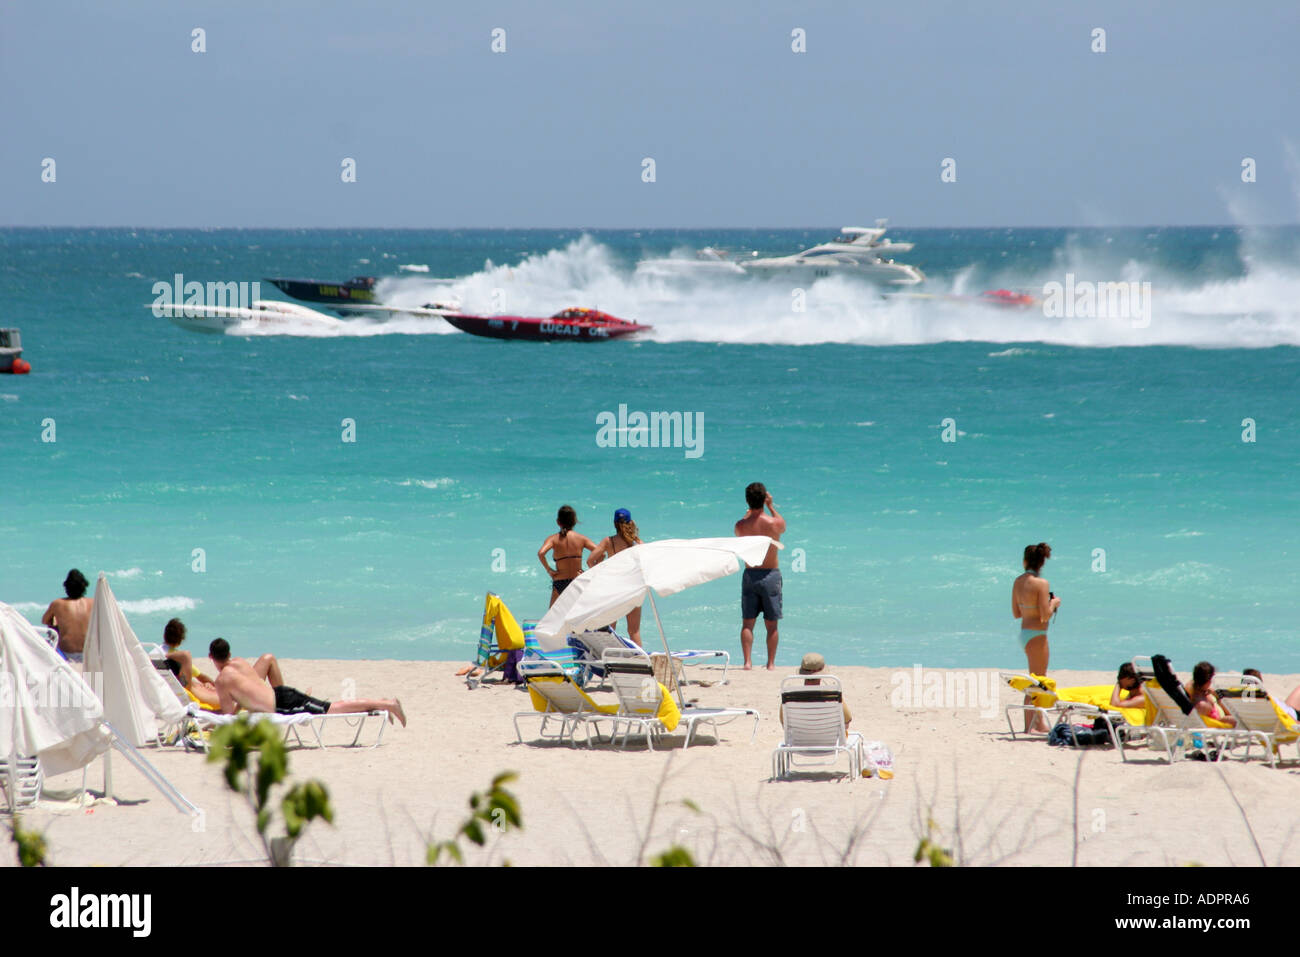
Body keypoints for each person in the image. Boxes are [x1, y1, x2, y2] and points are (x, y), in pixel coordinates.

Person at [207, 638, 406, 726]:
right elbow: (246, 695)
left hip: (284, 705)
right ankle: (381, 702)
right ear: (230, 653)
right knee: (331, 707)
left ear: (210, 656)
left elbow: (227, 717)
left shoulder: (222, 680)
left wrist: (208, 716)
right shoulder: (240, 663)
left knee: (333, 708)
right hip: (281, 694)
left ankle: (387, 704)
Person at [734, 482, 786, 671]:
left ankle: (747, 662)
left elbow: (740, 531)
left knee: (748, 623)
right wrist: (771, 506)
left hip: (750, 574)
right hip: (770, 575)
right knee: (772, 625)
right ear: (764, 499)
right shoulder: (774, 523)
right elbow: (783, 526)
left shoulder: (741, 525)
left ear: (748, 501)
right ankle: (771, 664)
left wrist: (748, 514)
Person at [1011, 543, 1061, 733]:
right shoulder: (1042, 583)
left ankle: (1037, 723)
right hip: (1038, 635)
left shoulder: (1017, 581)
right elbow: (1045, 615)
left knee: (1036, 680)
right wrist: (1054, 602)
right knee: (1038, 681)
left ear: (1025, 561)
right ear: (1042, 563)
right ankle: (1030, 726)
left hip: (1025, 634)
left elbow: (1016, 613)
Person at [588, 508, 643, 644]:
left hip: (615, 588)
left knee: (610, 629)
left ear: (614, 523)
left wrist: (601, 572)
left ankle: (610, 657)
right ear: (631, 523)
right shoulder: (637, 543)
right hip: (634, 588)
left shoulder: (608, 541)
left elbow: (590, 561)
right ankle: (641, 659)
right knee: (634, 631)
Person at [538, 505, 598, 607]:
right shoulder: (581, 538)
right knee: (578, 615)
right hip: (577, 580)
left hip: (560, 582)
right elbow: (600, 553)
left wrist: (549, 570)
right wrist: (590, 571)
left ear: (558, 522)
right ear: (574, 521)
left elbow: (541, 553)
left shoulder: (553, 539)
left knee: (553, 618)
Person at [780, 653, 852, 729]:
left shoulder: (789, 697)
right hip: (828, 739)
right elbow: (846, 723)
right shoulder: (833, 696)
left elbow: (784, 725)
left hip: (799, 739)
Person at [161, 618, 220, 709]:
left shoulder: (156, 652)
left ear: (165, 635)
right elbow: (201, 676)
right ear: (181, 640)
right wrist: (215, 685)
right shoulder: (178, 656)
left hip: (165, 690)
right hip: (182, 689)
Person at [41, 569, 94, 661]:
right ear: (84, 586)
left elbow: (44, 620)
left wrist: (57, 626)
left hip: (66, 652)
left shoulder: (57, 604)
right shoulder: (93, 603)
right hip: (88, 652)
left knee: (51, 629)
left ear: (66, 587)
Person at [1186, 661, 1235, 726]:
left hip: (1218, 718)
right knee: (1234, 720)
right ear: (1209, 680)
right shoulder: (1202, 705)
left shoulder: (1194, 691)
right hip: (1218, 725)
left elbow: (1190, 684)